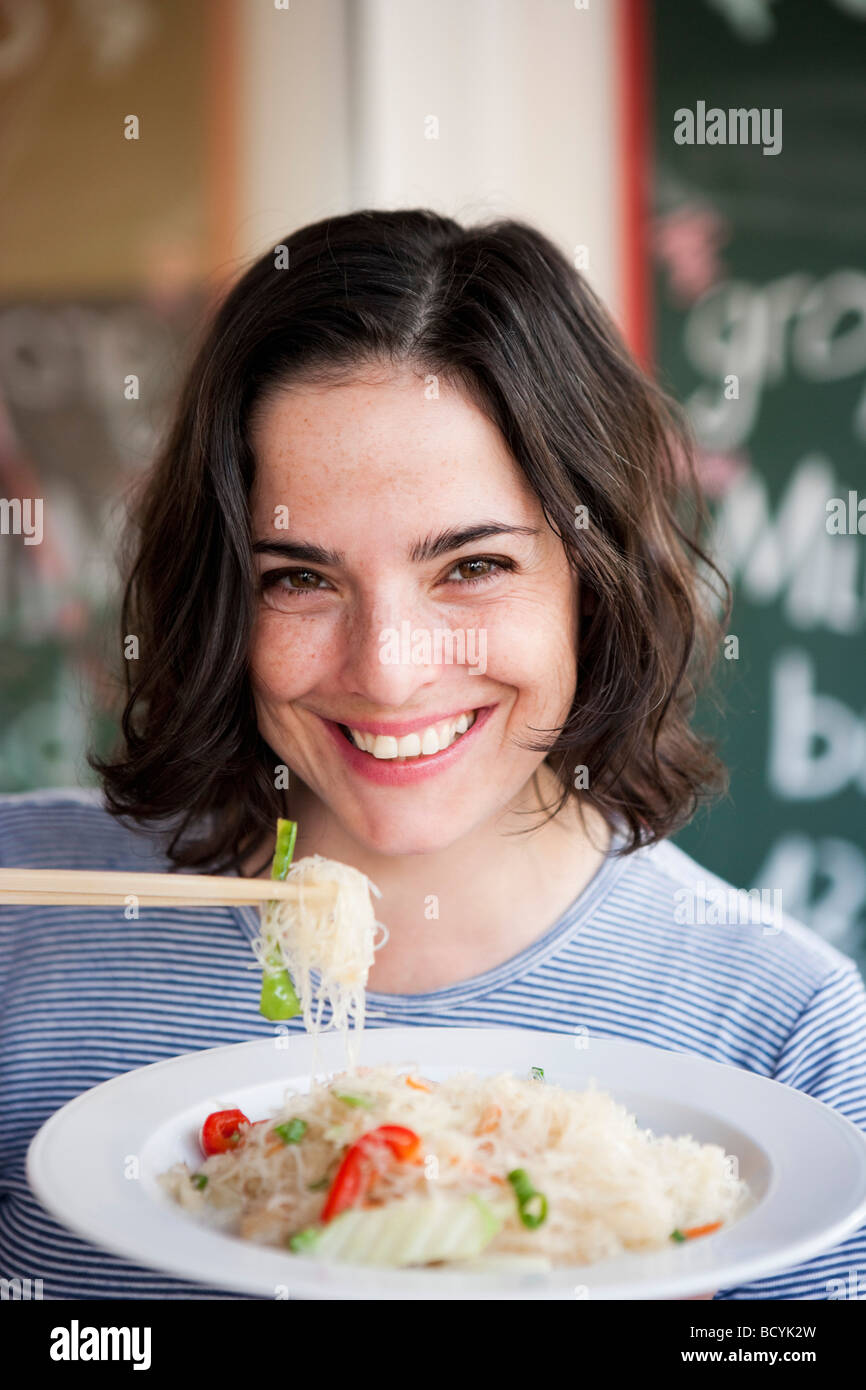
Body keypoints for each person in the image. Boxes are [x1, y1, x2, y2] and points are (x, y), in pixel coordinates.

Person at [1, 210, 864, 1300]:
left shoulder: (784, 1035)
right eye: (298, 578)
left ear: (589, 580)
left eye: (471, 565)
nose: (391, 671)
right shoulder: (23, 915)